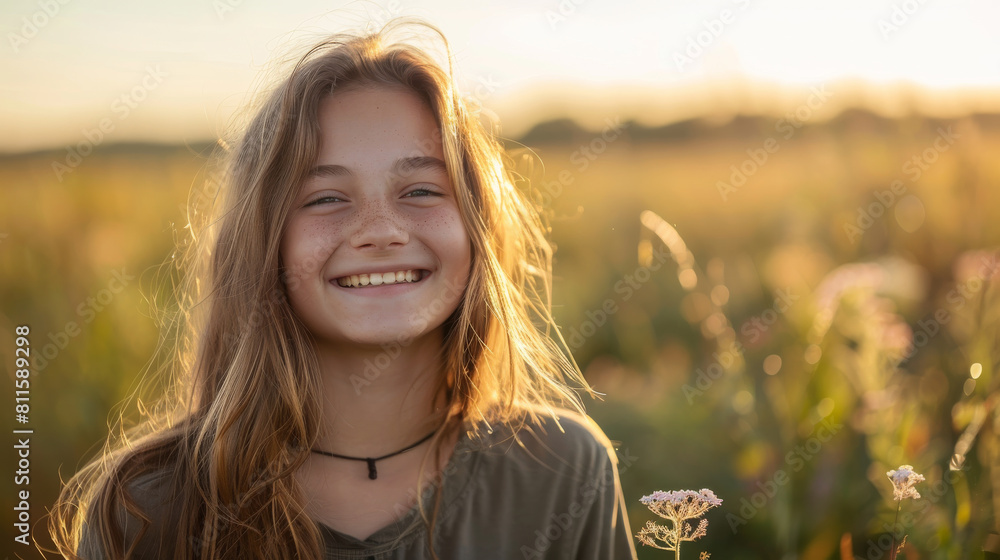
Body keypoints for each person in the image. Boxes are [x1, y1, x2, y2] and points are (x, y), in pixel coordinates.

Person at [49, 17, 638, 560]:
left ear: (476, 225)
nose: (380, 231)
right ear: (263, 243)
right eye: (326, 198)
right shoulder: (146, 509)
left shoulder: (563, 471)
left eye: (421, 190)